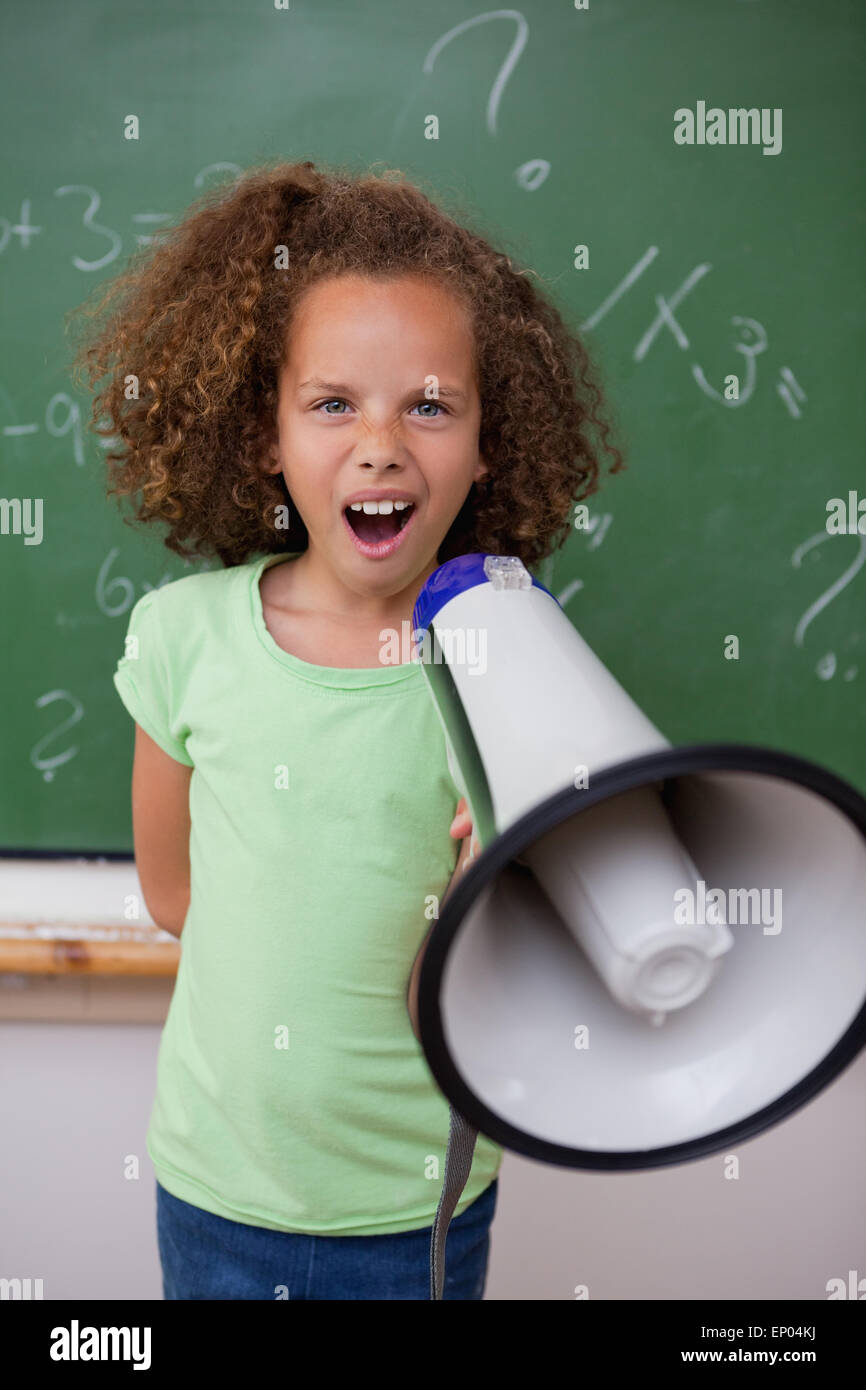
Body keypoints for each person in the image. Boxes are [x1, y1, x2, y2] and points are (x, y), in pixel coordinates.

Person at [71, 159, 624, 1299]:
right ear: (263, 436)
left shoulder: (506, 674)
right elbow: (176, 899)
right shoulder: (182, 641)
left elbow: (460, 1000)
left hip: (418, 1206)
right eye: (332, 403)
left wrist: (486, 876)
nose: (380, 444)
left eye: (429, 404)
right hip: (218, 1193)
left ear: (485, 445)